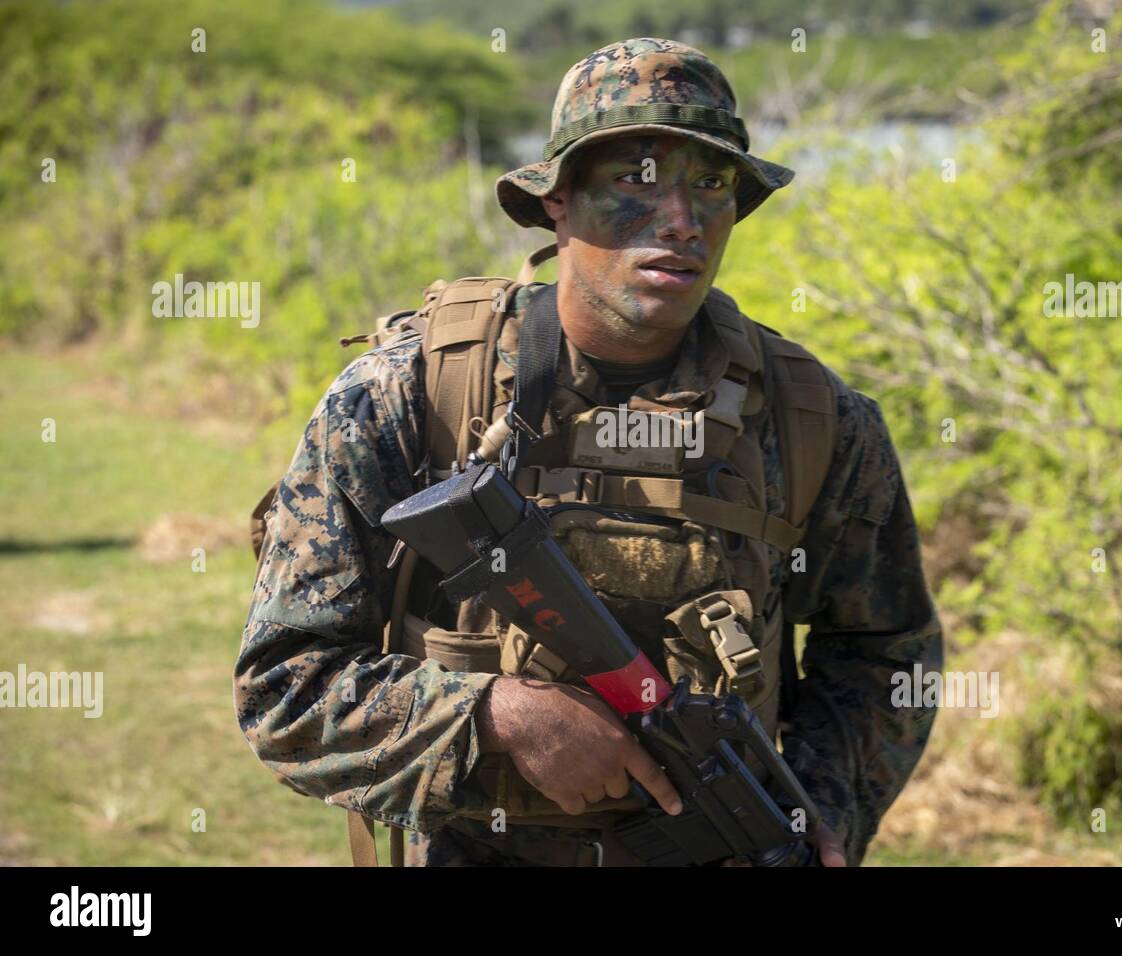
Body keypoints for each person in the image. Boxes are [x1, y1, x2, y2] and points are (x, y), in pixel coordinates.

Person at [234, 37, 943, 867]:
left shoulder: (812, 416)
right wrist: (496, 716)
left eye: (711, 185)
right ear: (557, 202)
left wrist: (818, 810)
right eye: (636, 182)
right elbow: (285, 691)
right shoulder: (413, 393)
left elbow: (886, 658)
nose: (681, 220)